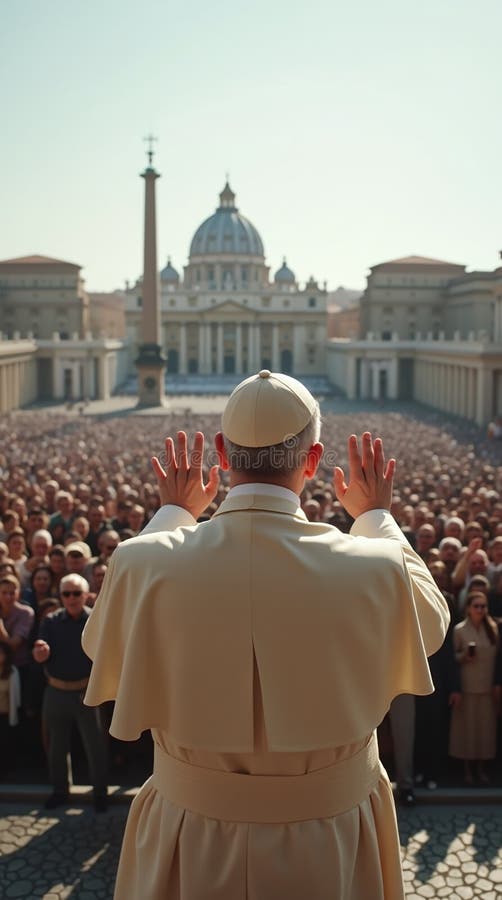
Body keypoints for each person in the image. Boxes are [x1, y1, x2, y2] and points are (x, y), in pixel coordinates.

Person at [82, 371, 449, 900]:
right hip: (332, 842)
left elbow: (102, 645)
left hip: (190, 838)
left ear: (222, 455)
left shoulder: (142, 563)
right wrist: (376, 517)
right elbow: (431, 625)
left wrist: (171, 514)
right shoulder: (376, 566)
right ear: (314, 459)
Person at [32, 573, 108, 811]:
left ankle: (100, 793)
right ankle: (60, 791)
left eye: (76, 593)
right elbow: (39, 652)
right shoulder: (51, 621)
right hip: (56, 692)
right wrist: (40, 653)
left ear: (86, 594)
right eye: (66, 593)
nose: (71, 598)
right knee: (56, 746)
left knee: (95, 746)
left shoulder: (96, 620)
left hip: (87, 692)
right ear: (61, 596)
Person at [449, 590, 499, 784]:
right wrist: (464, 657)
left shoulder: (493, 628)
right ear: (468, 609)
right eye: (476, 606)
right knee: (467, 732)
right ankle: (467, 770)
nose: (480, 609)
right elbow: (452, 659)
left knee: (485, 731)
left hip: (487, 689)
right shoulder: (459, 630)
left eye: (483, 606)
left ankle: (481, 769)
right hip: (467, 687)